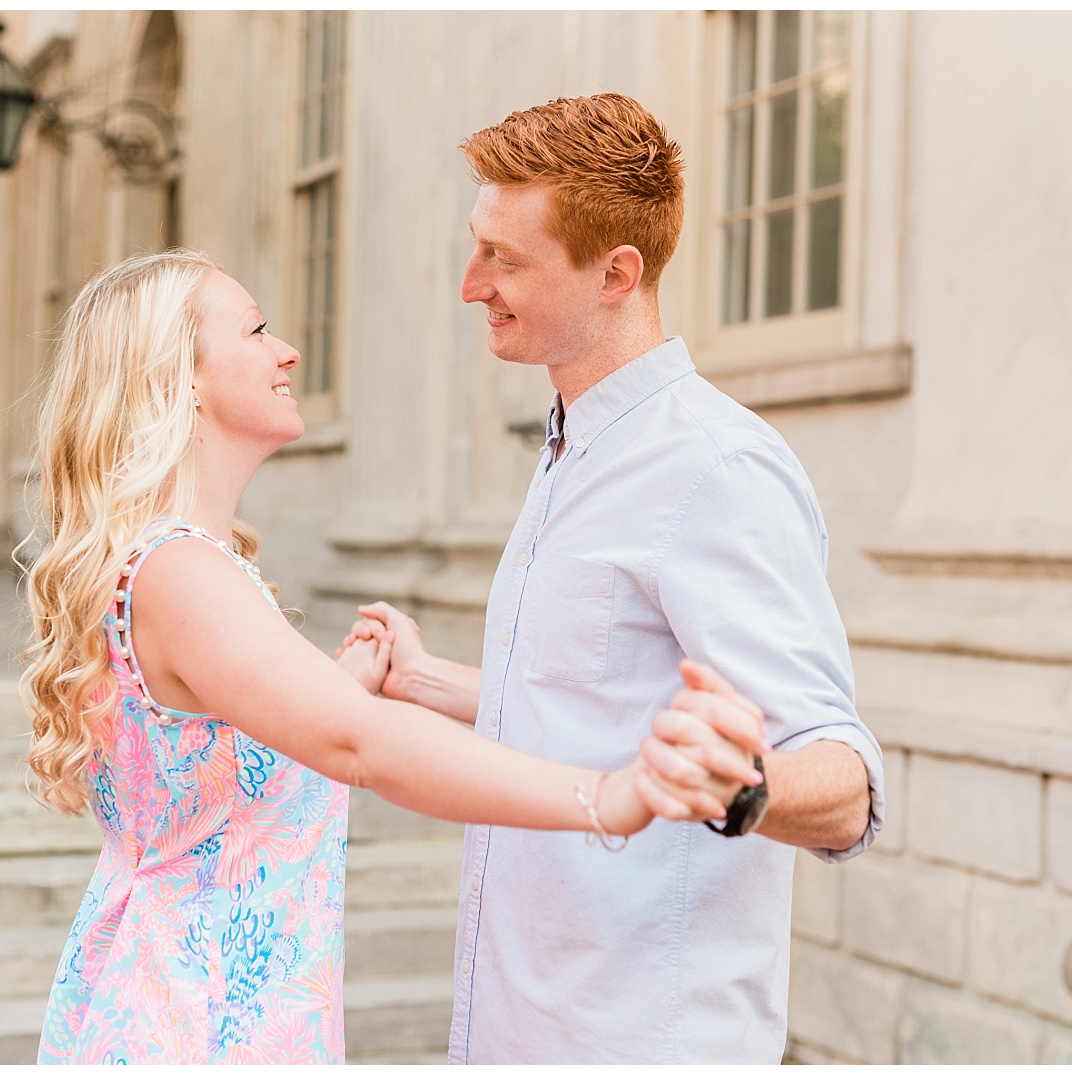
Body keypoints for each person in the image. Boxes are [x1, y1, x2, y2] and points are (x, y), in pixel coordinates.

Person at [20, 249, 765, 1064]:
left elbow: (222, 771)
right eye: (257, 330)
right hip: (195, 1023)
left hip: (188, 1003)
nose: (287, 351)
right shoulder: (181, 572)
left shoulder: (167, 563)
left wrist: (358, 683)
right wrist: (612, 797)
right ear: (181, 379)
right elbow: (356, 743)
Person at [339, 93, 885, 1063]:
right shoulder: (570, 445)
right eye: (477, 247)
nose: (472, 285)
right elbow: (590, 703)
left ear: (615, 274)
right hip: (515, 1025)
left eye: (504, 258)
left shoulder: (715, 467)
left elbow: (844, 785)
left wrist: (739, 784)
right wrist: (429, 682)